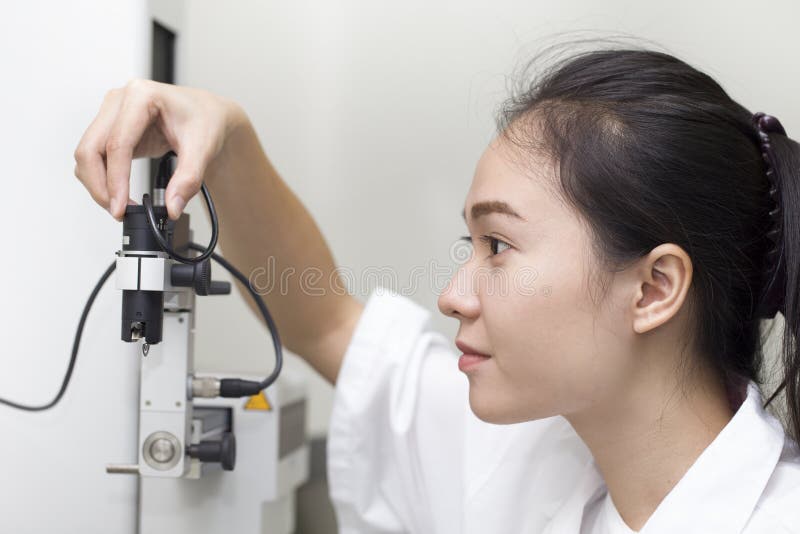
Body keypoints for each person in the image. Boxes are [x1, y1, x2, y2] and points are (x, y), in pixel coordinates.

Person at [74, 46, 800, 533]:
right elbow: (325, 324)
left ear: (653, 288)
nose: (453, 295)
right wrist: (225, 136)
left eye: (499, 246)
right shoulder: (524, 460)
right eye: (470, 244)